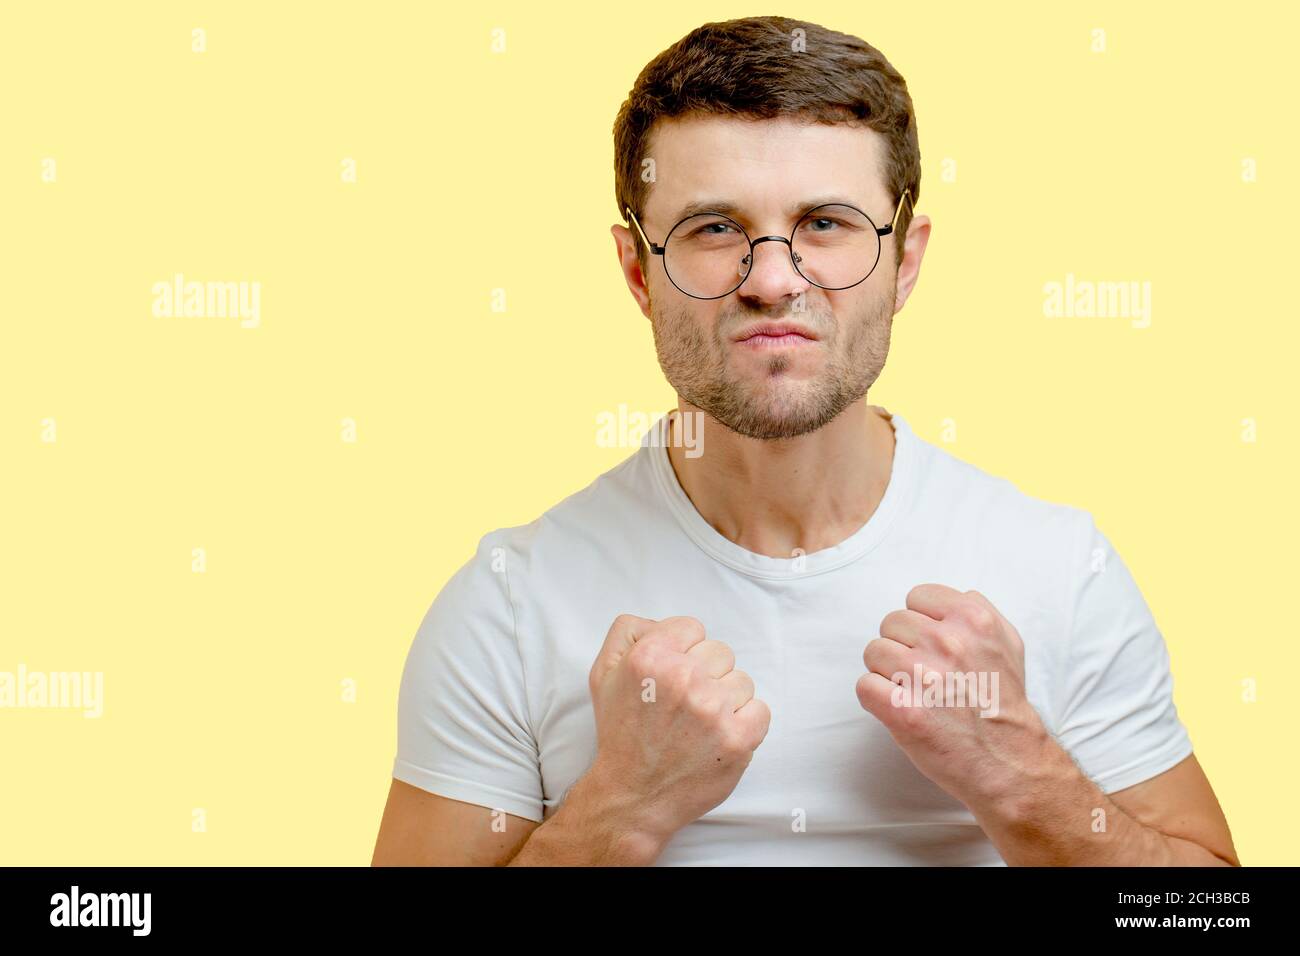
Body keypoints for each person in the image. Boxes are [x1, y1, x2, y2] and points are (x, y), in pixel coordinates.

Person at [372, 15, 1237, 866]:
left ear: (905, 263)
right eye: (715, 228)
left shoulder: (1059, 568)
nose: (775, 279)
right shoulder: (510, 605)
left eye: (826, 222)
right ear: (639, 273)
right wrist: (620, 811)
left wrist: (1025, 783)